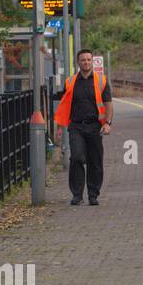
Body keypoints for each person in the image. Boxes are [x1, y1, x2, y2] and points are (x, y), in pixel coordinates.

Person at [53, 49, 113, 205]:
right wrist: (59, 127)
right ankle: (77, 194)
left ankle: (93, 195)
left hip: (95, 127)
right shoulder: (70, 82)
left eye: (88, 60)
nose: (86, 62)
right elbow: (64, 106)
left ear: (92, 61)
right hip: (76, 126)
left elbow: (108, 104)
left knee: (95, 161)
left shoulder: (102, 81)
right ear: (78, 62)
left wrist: (107, 123)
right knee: (77, 157)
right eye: (83, 60)